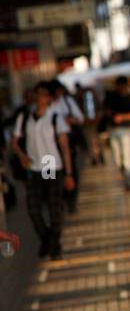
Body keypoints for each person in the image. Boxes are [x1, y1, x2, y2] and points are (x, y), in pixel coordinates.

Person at [9, 82, 75, 259]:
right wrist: (22, 156)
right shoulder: (25, 117)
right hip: (33, 165)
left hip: (49, 163)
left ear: (50, 98)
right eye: (37, 93)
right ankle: (46, 238)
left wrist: (69, 174)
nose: (40, 98)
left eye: (44, 95)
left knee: (54, 207)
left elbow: (65, 146)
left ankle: (54, 245)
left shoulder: (55, 117)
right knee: (33, 208)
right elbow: (14, 142)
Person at [101, 76, 130, 191]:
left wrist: (122, 117)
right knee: (117, 159)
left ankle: (129, 181)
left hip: (127, 130)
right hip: (113, 130)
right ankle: (126, 175)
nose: (121, 88)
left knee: (127, 157)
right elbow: (104, 111)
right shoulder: (110, 97)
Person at [51, 82, 85, 213]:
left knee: (69, 173)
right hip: (47, 155)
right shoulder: (40, 112)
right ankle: (55, 203)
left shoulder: (66, 102)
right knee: (49, 180)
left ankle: (70, 199)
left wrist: (71, 120)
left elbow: (80, 119)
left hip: (65, 147)